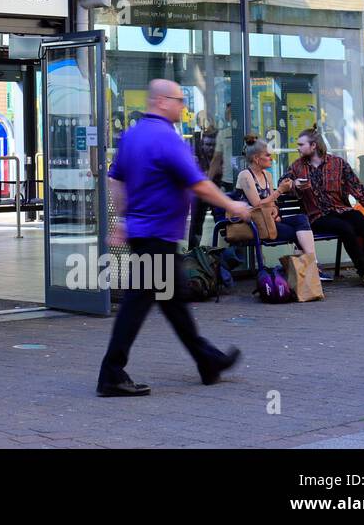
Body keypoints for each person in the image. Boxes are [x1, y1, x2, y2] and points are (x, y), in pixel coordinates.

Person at [97, 79, 250, 398]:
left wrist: (121, 220)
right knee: (139, 303)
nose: (184, 106)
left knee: (173, 301)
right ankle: (111, 373)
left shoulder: (133, 134)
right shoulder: (167, 139)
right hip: (157, 236)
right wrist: (232, 204)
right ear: (162, 101)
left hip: (146, 234)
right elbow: (199, 185)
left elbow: (115, 179)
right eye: (180, 100)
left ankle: (207, 361)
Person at [278, 128, 364, 286]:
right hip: (316, 216)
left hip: (342, 210)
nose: (297, 148)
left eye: (301, 144)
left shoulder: (338, 164)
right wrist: (294, 185)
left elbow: (358, 189)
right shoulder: (297, 166)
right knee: (345, 228)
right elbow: (282, 183)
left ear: (313, 145)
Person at [235, 135, 330, 281]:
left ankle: (311, 267)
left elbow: (271, 203)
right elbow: (257, 205)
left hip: (269, 221)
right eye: (267, 155)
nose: (271, 158)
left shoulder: (267, 174)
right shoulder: (245, 176)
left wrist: (276, 211)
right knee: (297, 232)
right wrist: (280, 190)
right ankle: (309, 271)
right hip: (253, 223)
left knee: (301, 219)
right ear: (256, 158)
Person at [187, 128, 223, 249]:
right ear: (202, 144)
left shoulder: (219, 154)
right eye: (208, 144)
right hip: (201, 191)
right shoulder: (197, 154)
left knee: (222, 222)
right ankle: (193, 252)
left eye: (213, 145)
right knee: (196, 224)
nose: (211, 148)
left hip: (215, 190)